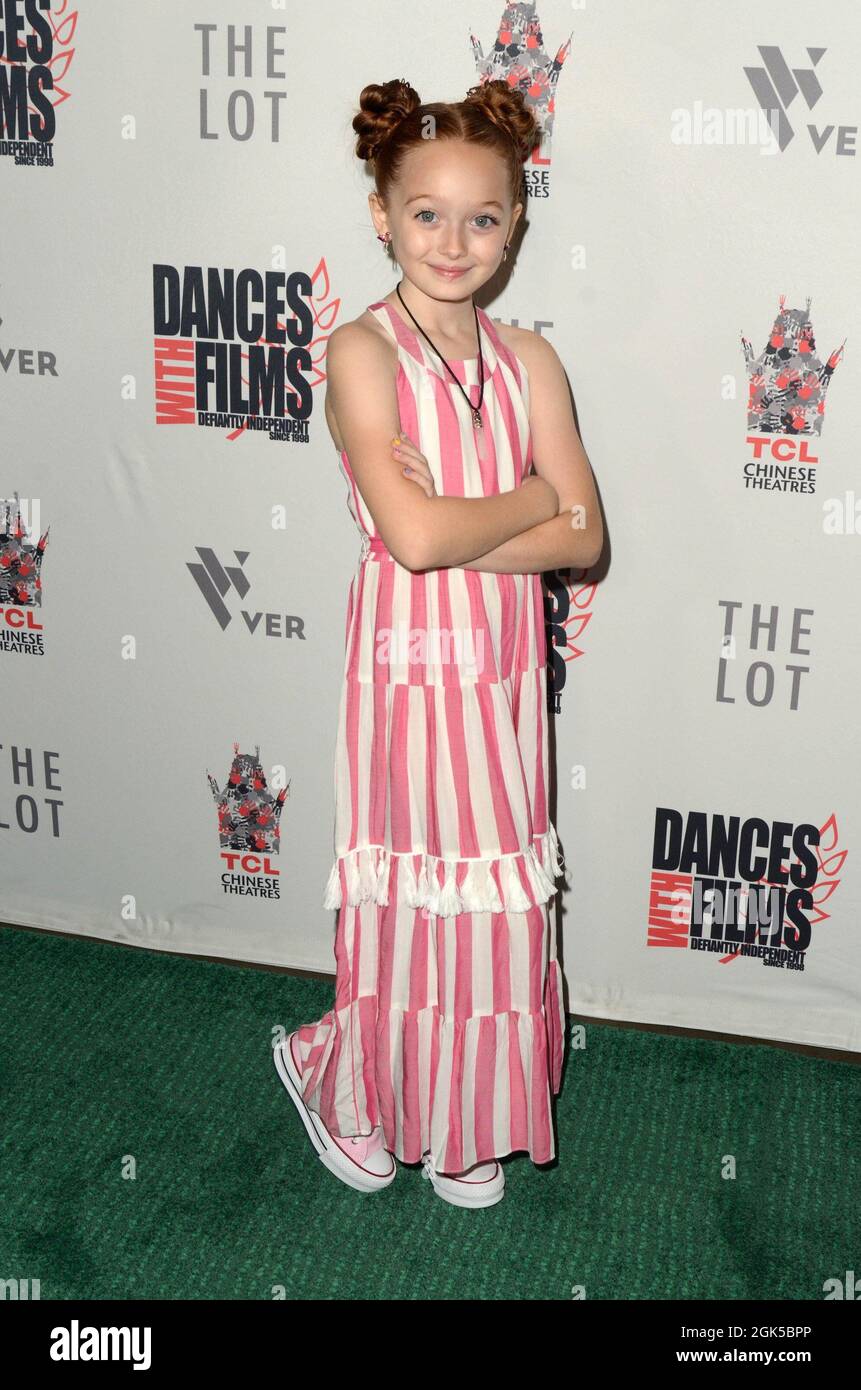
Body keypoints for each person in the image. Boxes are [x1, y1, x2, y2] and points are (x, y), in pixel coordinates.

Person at [273, 77, 602, 1209]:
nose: (454, 241)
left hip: (501, 680)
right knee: (412, 895)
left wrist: (488, 509)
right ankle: (354, 1089)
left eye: (483, 217)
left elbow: (588, 531)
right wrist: (528, 502)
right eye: (426, 213)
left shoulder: (533, 363)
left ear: (516, 225)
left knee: (498, 897)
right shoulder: (362, 353)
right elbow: (412, 540)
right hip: (408, 683)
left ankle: (463, 1114)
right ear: (380, 213)